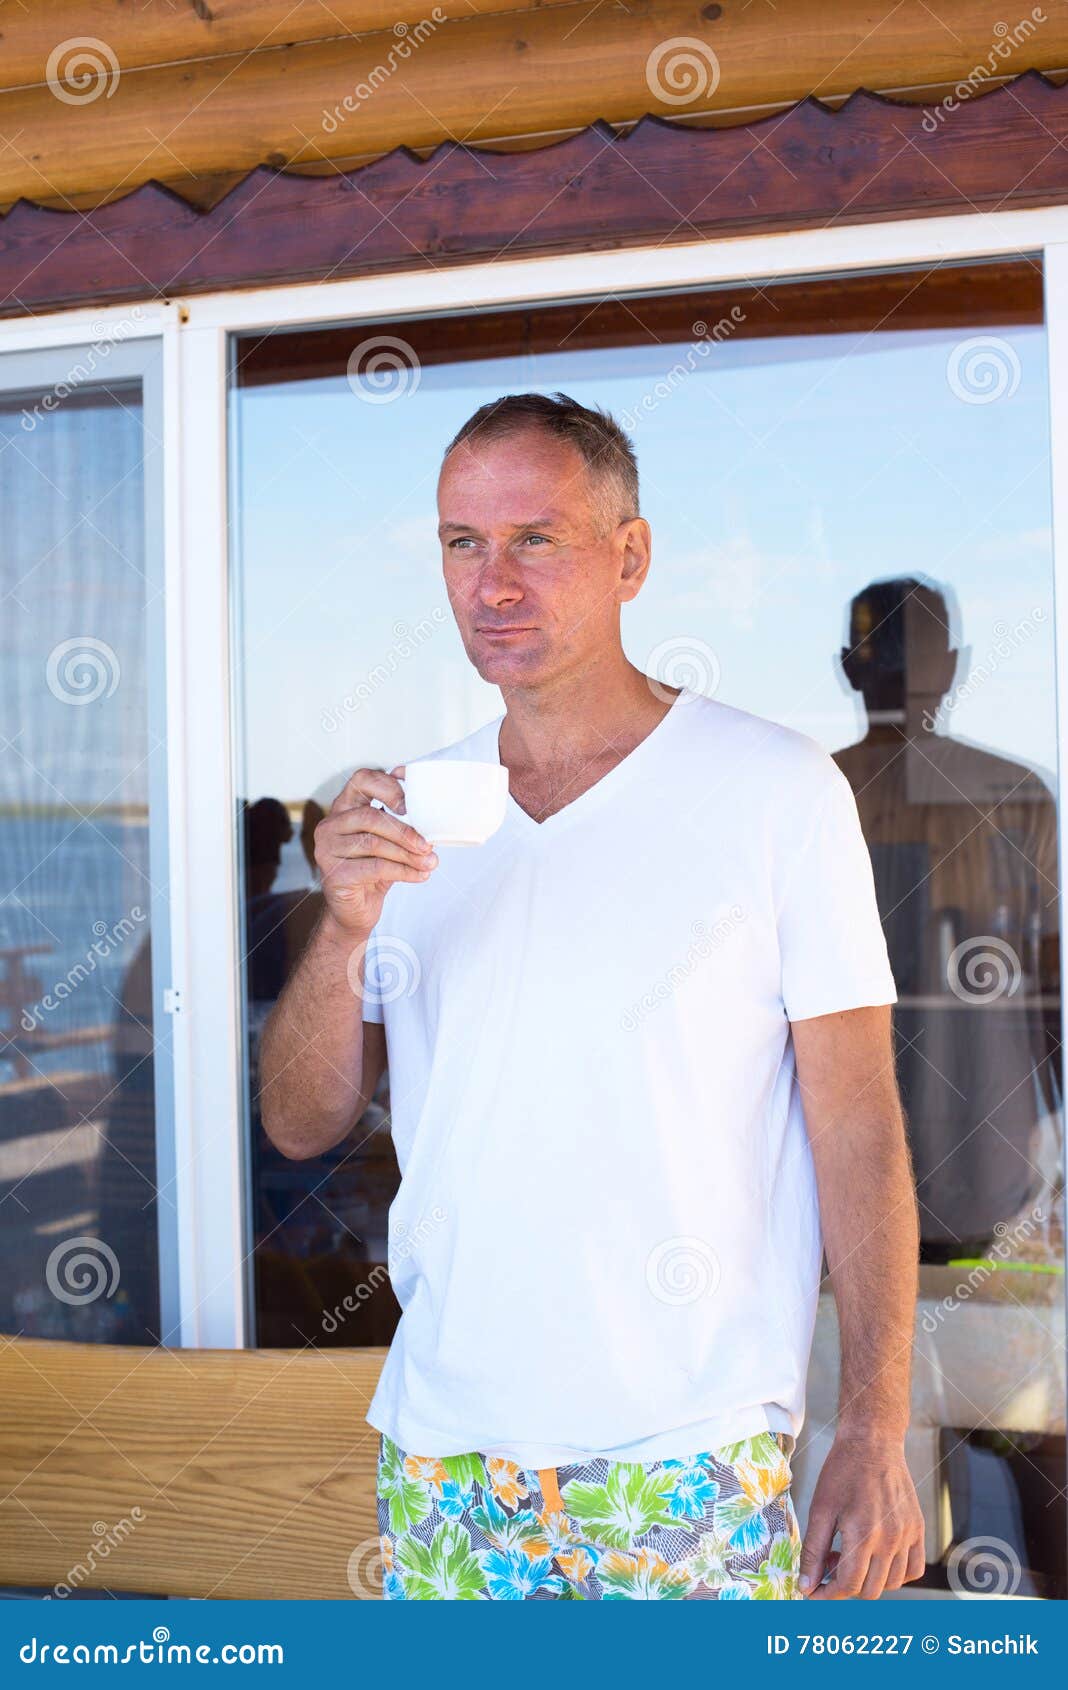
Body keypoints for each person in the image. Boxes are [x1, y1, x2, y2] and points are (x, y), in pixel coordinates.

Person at [259, 391, 925, 1601]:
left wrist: (876, 1429)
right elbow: (302, 1123)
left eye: (536, 540)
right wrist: (342, 928)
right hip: (447, 1458)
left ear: (631, 556)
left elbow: (858, 1125)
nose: (492, 581)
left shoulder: (778, 790)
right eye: (463, 542)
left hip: (692, 1461)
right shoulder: (411, 811)